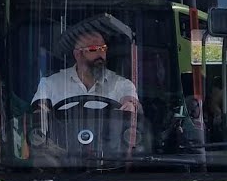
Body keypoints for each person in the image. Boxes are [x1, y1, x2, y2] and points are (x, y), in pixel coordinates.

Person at [30, 26, 143, 158]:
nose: (100, 54)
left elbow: (131, 103)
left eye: (103, 49)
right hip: (61, 161)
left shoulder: (122, 84)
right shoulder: (50, 84)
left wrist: (131, 105)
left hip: (112, 162)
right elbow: (38, 118)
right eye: (94, 49)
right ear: (77, 54)